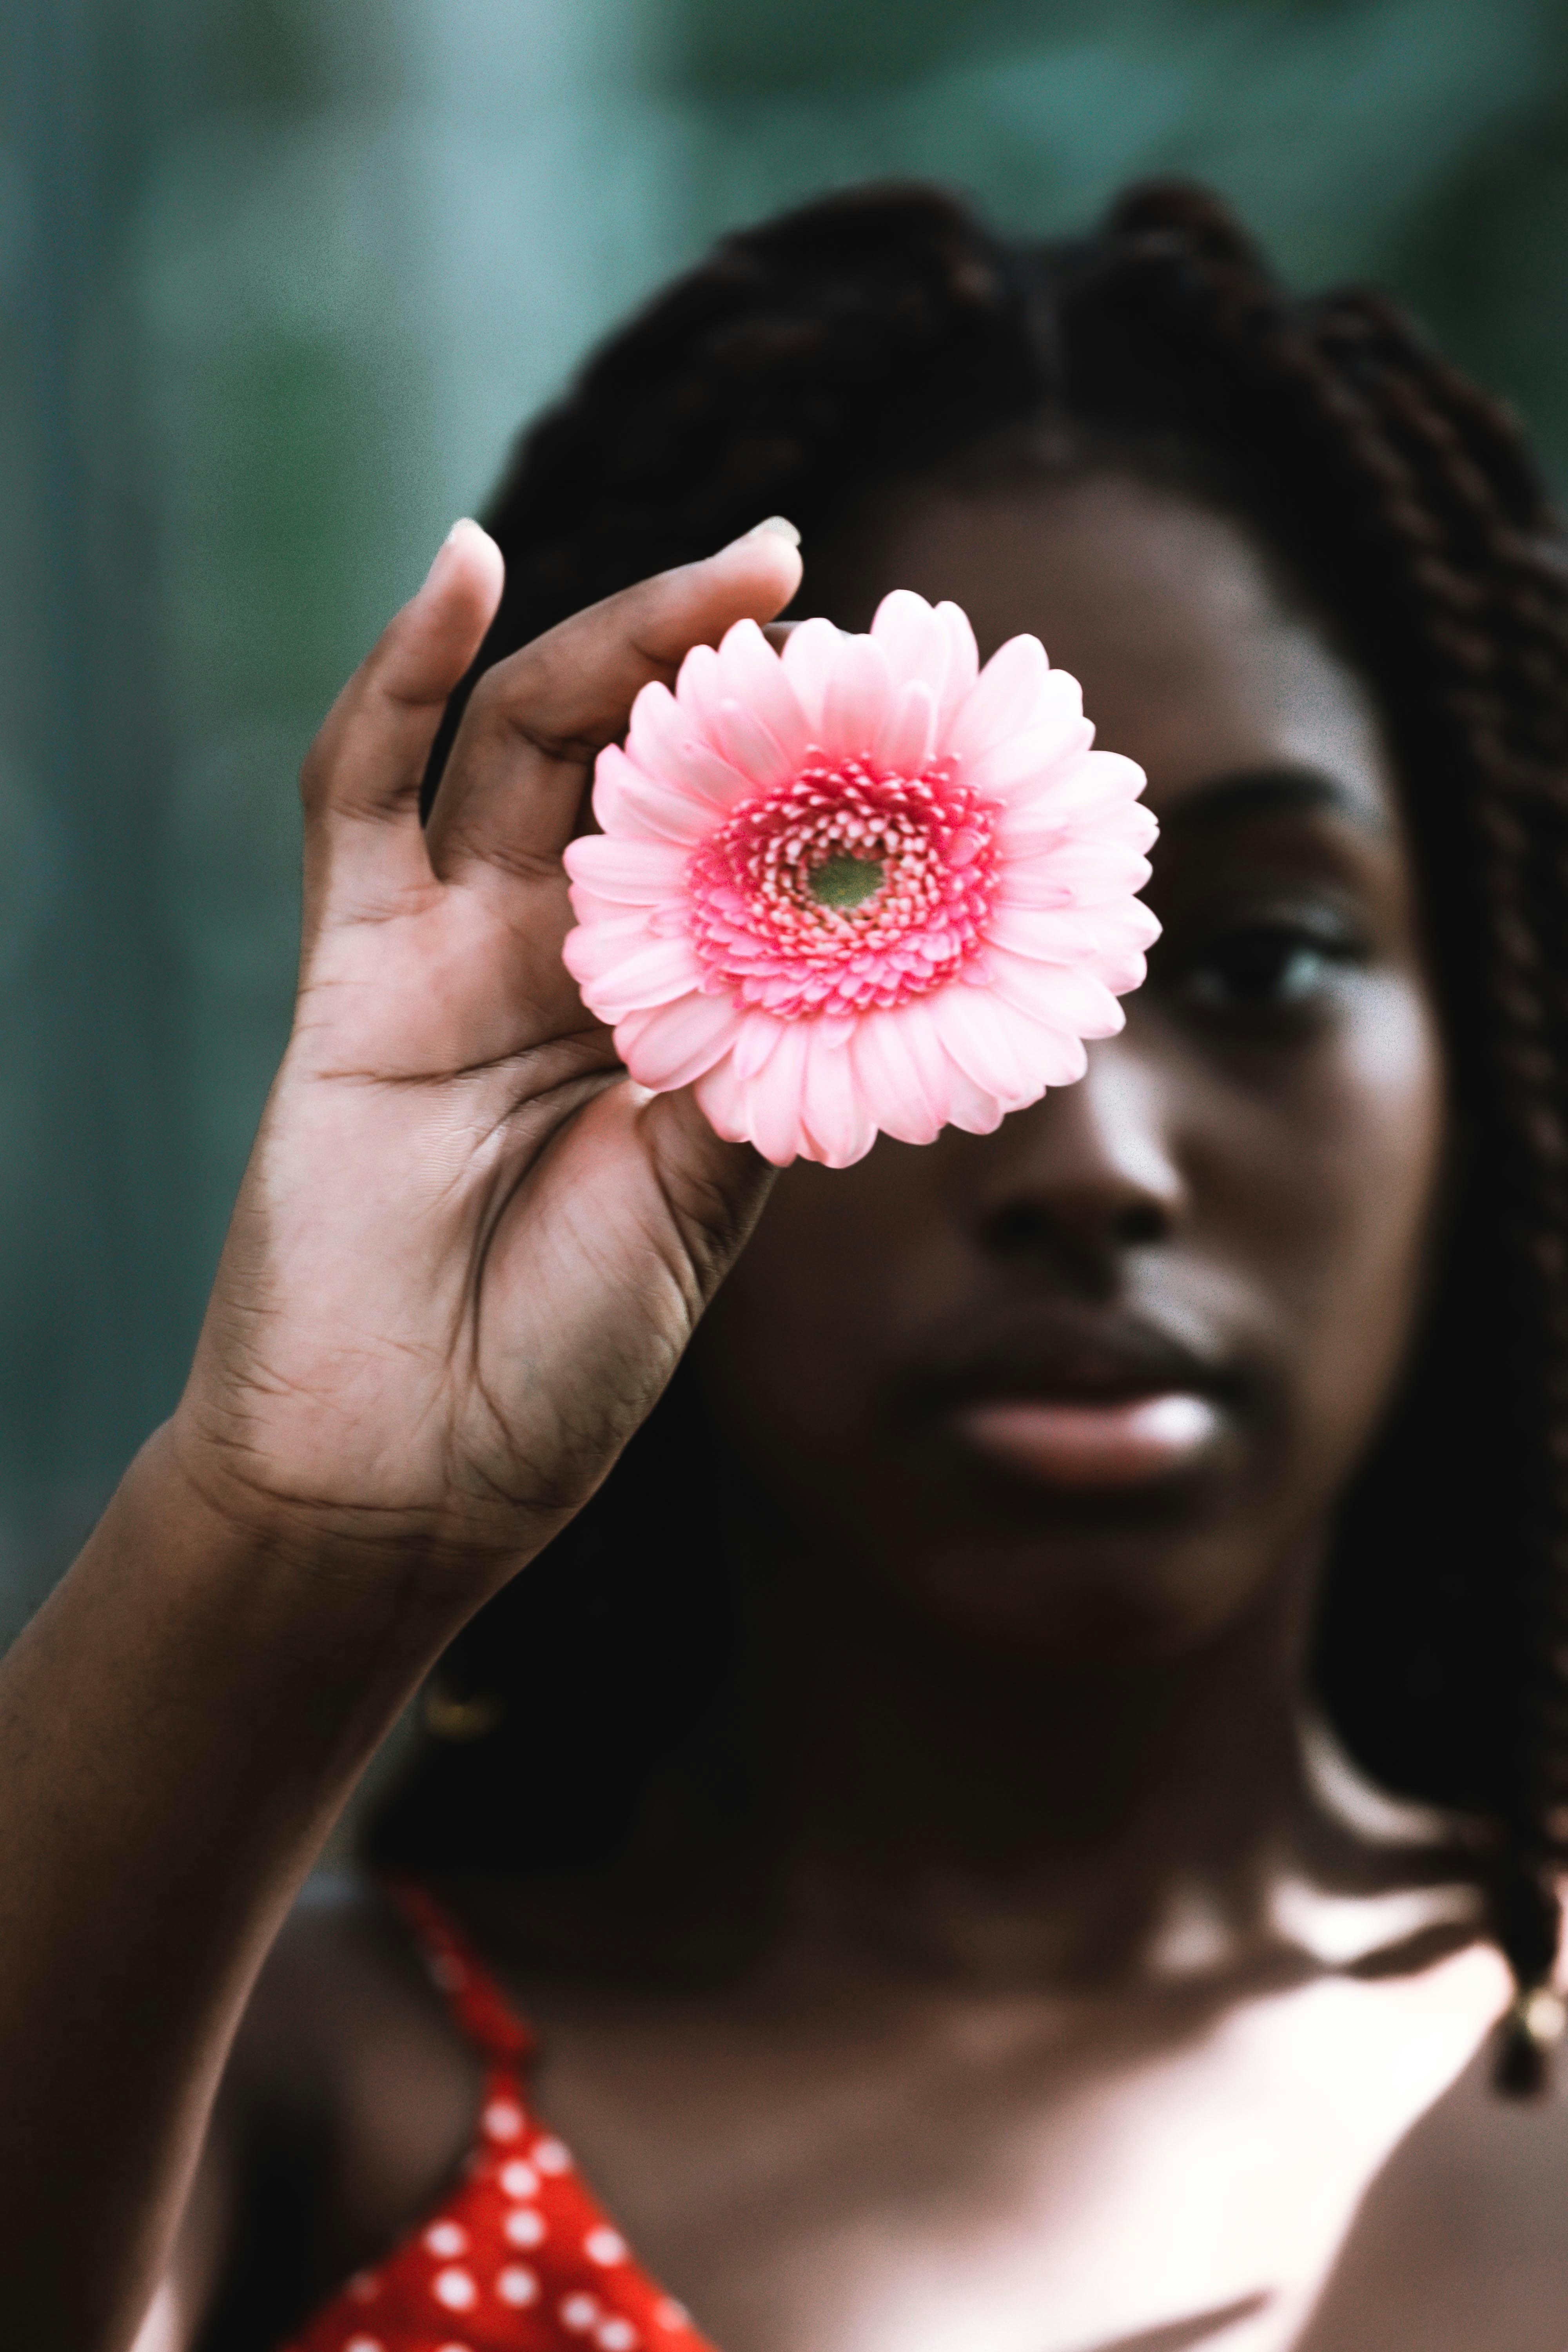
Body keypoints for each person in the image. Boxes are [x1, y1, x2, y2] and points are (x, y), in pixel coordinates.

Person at [5, 176, 1568, 2352]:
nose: (1093, 1165)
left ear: (1490, 1061)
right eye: (874, 964)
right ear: (606, 1011)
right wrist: (284, 1534)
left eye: (1270, 957)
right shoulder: (249, 2100)